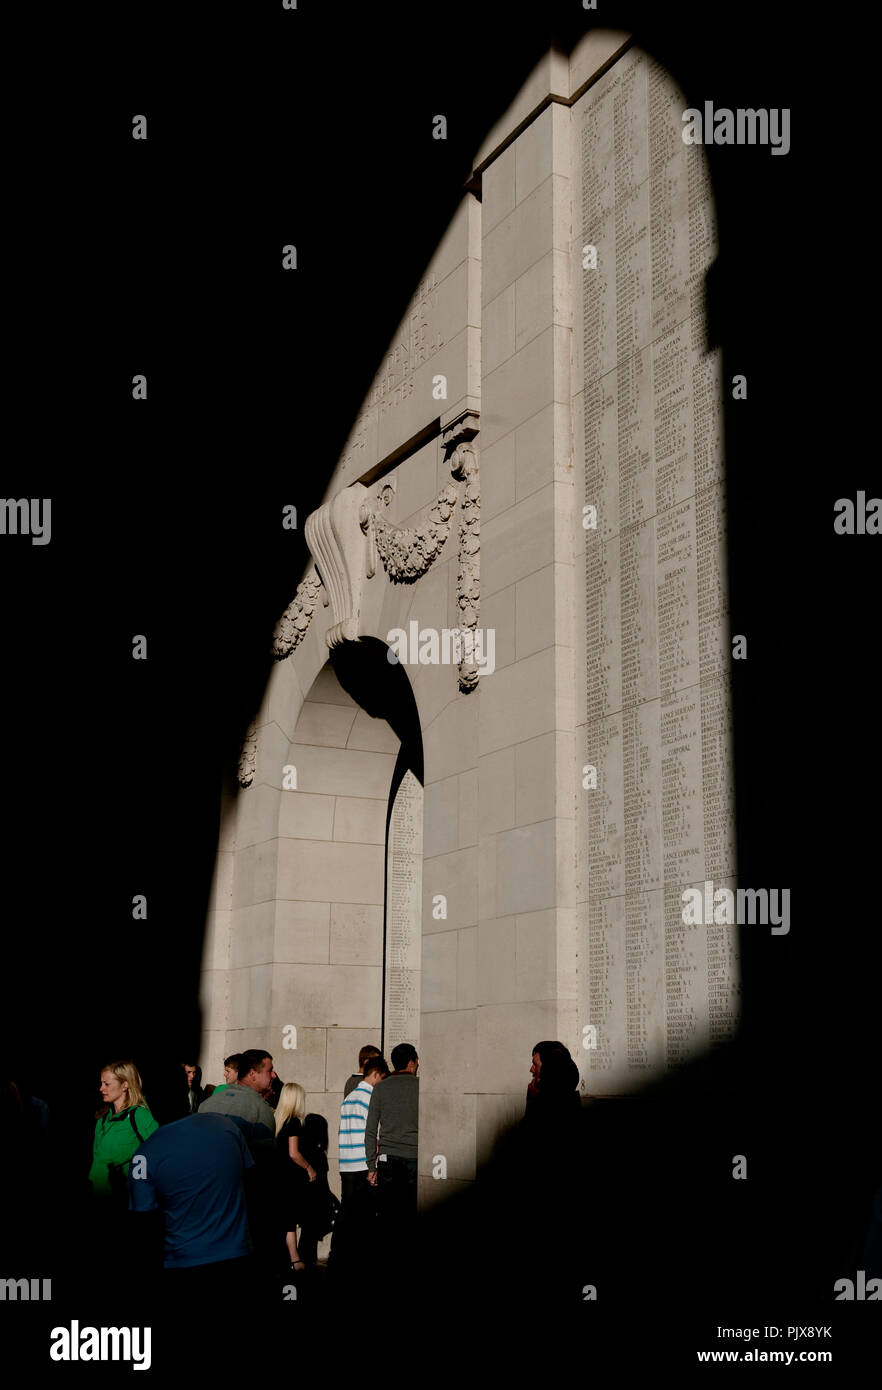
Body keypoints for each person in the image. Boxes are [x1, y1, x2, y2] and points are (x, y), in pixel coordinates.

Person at [128, 1110, 255, 1308]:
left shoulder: (144, 1155)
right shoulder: (225, 1126)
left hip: (183, 1262)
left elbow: (144, 1223)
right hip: (236, 1256)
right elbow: (250, 1184)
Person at [331, 1054, 388, 1271]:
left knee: (348, 1212)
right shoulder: (372, 1098)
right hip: (363, 1163)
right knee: (365, 1215)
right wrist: (373, 1164)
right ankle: (361, 1261)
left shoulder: (349, 1098)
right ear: (375, 1075)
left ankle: (339, 1256)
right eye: (382, 1078)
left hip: (347, 1163)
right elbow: (372, 1133)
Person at [363, 1043, 419, 1232]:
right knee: (411, 1213)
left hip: (387, 1159)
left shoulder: (380, 1088)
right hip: (413, 1156)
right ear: (411, 1063)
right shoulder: (421, 1087)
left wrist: (371, 1165)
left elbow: (370, 1129)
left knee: (388, 1216)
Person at [88, 1060, 158, 1199]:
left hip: (125, 1199)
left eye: (107, 1084)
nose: (101, 1088)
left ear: (125, 1085)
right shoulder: (102, 1119)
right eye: (101, 1083)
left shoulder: (139, 1116)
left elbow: (159, 1155)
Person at [198, 1049, 277, 1157]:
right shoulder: (261, 1111)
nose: (273, 1075)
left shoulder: (206, 1104)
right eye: (269, 1070)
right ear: (252, 1074)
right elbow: (262, 1161)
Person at [275, 1082, 313, 1274]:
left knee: (284, 1219)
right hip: (290, 1178)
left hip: (278, 1176)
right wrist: (309, 1168)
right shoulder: (295, 1122)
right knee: (290, 1219)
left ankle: (292, 1257)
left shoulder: (278, 1120)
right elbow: (293, 1153)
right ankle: (294, 1259)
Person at [297, 1113, 339, 1266]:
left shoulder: (301, 1150)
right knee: (309, 1239)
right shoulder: (318, 1155)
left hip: (303, 1201)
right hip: (315, 1203)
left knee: (307, 1238)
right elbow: (323, 1184)